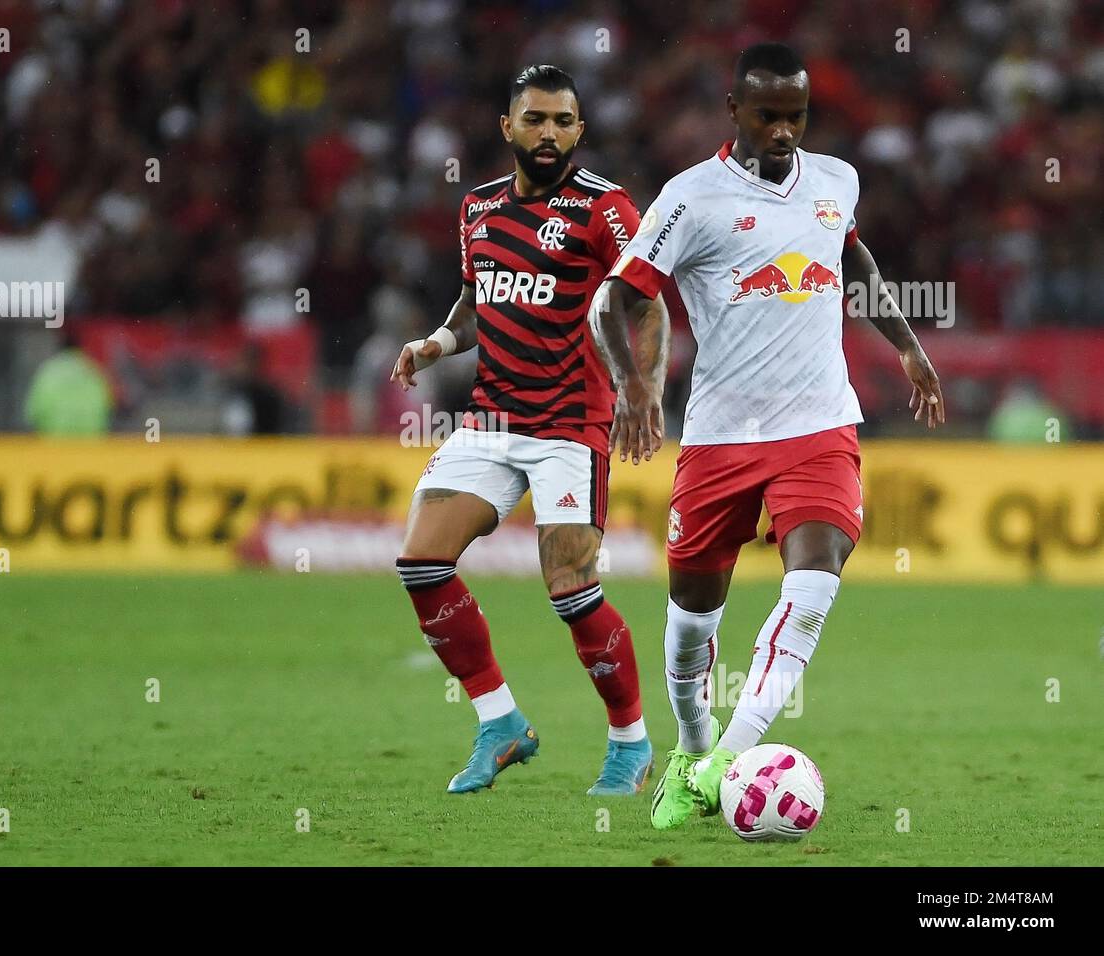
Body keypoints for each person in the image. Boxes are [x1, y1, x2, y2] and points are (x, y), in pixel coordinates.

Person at [590, 43, 945, 830]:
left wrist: (907, 344)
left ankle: (728, 757)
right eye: (768, 116)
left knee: (815, 578)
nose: (784, 131)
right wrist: (636, 384)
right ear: (735, 111)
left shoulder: (836, 181)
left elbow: (853, 259)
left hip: (819, 425)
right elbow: (613, 300)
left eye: (797, 115)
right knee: (691, 627)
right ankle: (692, 744)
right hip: (720, 438)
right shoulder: (691, 199)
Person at [390, 65, 671, 796]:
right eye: (536, 119)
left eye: (563, 122)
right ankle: (501, 722)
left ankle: (630, 743)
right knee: (422, 560)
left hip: (570, 425)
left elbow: (646, 303)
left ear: (581, 130)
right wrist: (435, 344)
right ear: (507, 128)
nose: (549, 133)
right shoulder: (477, 208)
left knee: (571, 589)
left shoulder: (605, 209)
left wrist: (643, 390)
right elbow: (475, 303)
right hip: (491, 417)